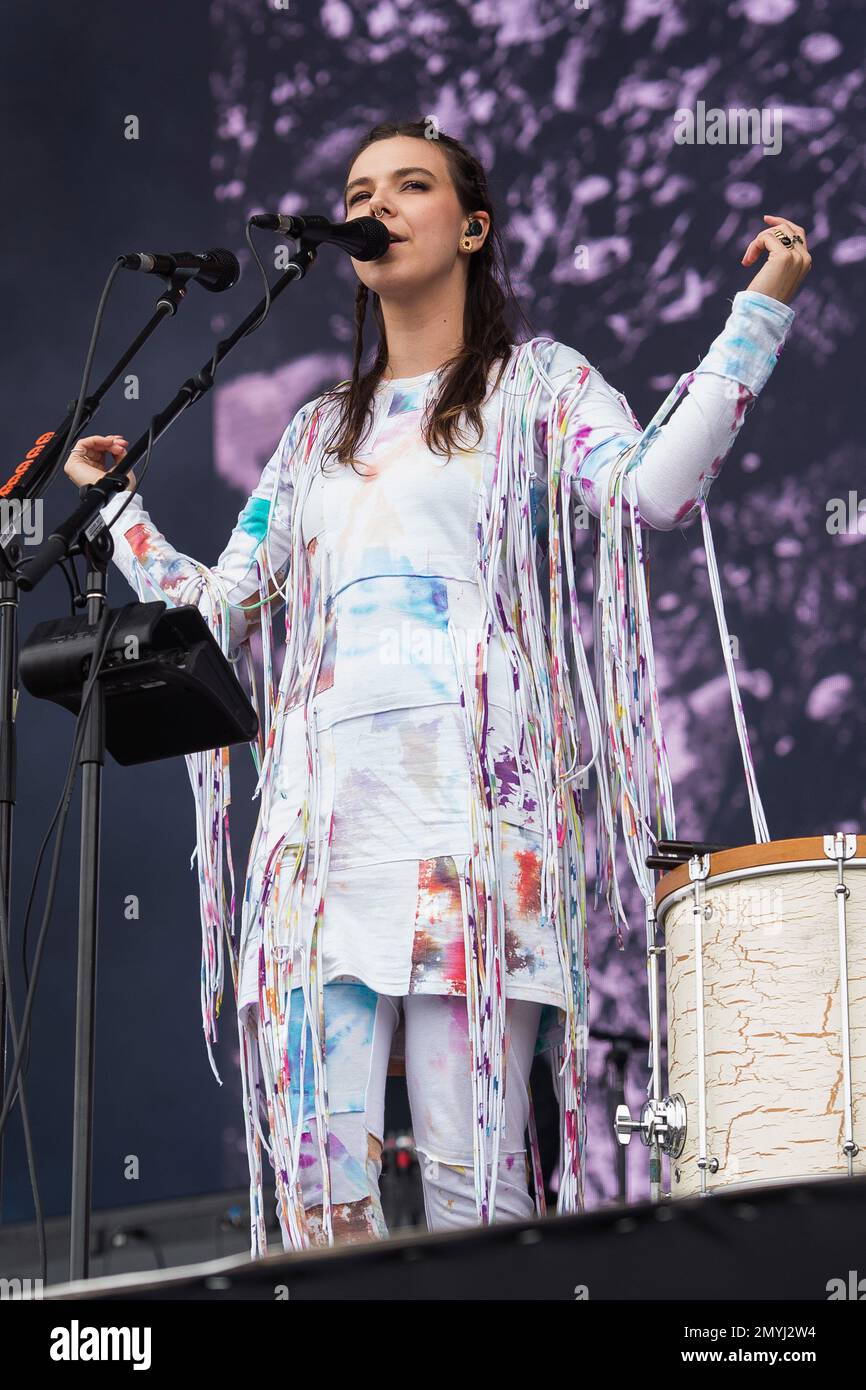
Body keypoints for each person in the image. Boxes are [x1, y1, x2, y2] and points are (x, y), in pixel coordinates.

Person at [63, 119, 809, 1257]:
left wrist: (755, 317)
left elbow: (654, 490)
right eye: (360, 188)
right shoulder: (317, 432)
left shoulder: (538, 384)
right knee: (319, 1208)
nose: (380, 203)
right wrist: (121, 516)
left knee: (480, 1197)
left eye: (410, 184)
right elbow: (217, 618)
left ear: (470, 227)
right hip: (318, 847)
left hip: (472, 831)